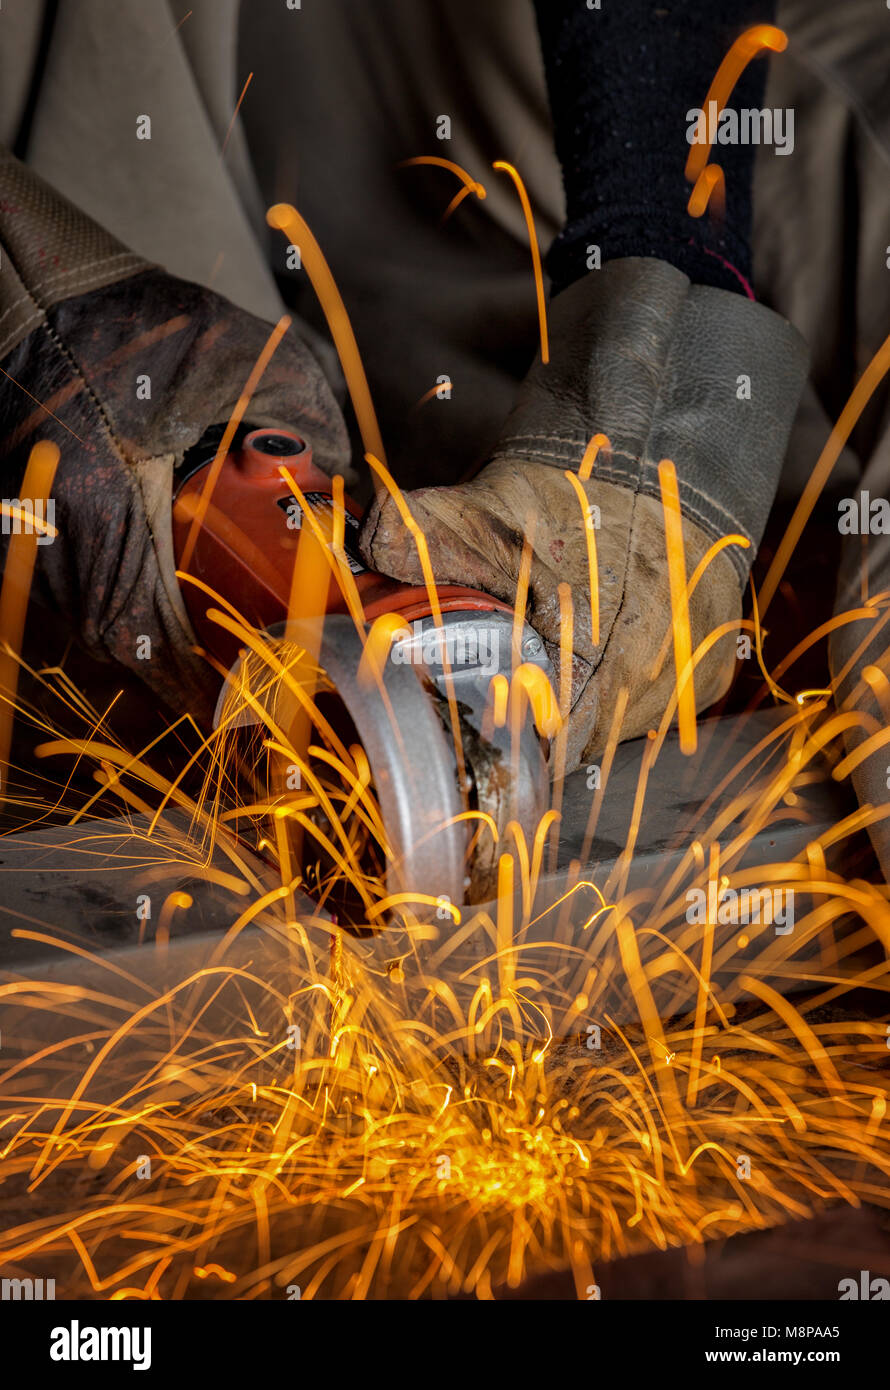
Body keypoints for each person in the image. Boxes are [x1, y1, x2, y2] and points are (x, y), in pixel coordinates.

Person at [1, 1, 888, 869]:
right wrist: (52, 343)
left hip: (638, 83)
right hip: (183, 79)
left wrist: (665, 380)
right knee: (148, 421)